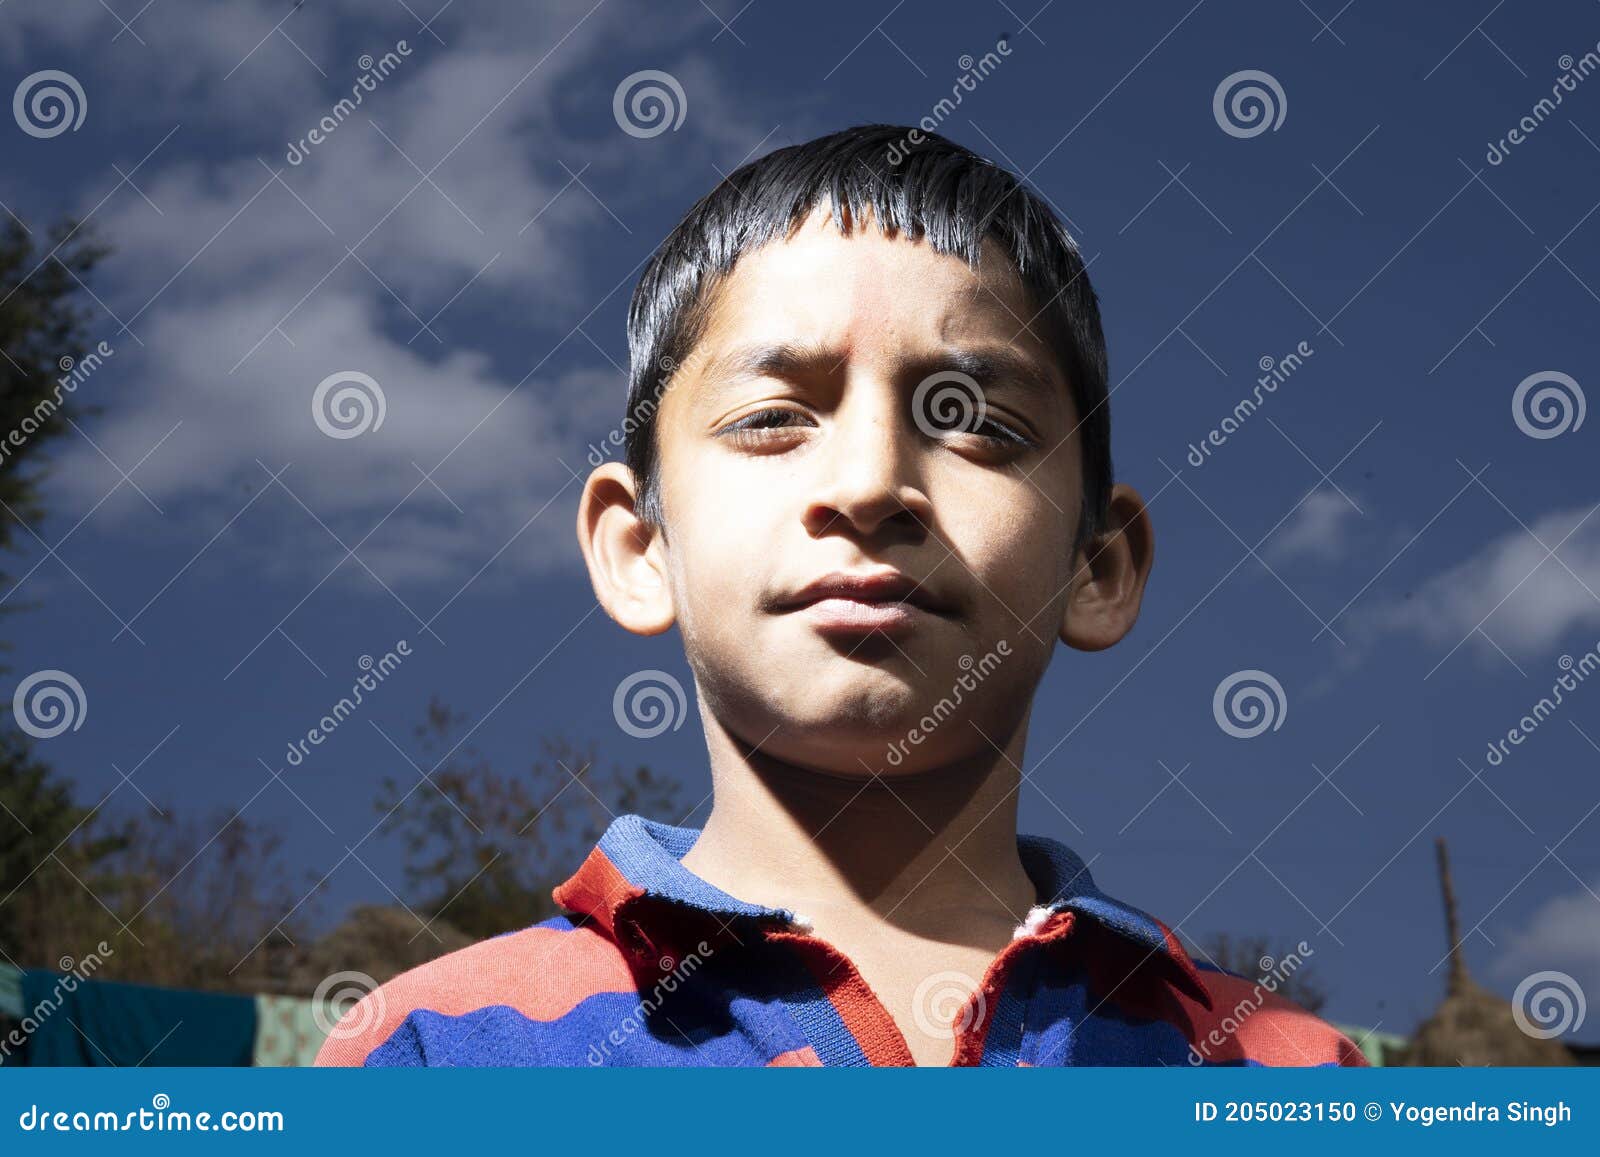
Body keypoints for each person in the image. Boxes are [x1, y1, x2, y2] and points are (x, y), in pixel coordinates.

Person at [317, 124, 1366, 1067]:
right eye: (772, 417)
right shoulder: (443, 1051)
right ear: (639, 547)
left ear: (1098, 568)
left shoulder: (1278, 1070)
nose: (869, 484)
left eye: (977, 424)